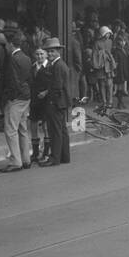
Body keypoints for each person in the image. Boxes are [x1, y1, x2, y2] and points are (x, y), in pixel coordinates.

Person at [0, 36, 34, 172]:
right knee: (22, 128)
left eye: (7, 45)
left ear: (11, 44)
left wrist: (9, 97)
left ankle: (15, 161)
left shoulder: (12, 59)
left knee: (11, 129)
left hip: (16, 97)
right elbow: (29, 78)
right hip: (26, 95)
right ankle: (26, 159)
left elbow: (11, 80)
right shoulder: (27, 58)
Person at [42, 37, 72, 166]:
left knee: (55, 131)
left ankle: (55, 157)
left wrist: (51, 101)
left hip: (56, 102)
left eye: (52, 51)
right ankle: (64, 156)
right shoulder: (59, 64)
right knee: (62, 130)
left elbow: (57, 87)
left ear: (58, 51)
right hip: (61, 101)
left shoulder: (57, 66)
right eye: (48, 51)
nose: (49, 54)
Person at [29, 45, 51, 166]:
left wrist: (46, 92)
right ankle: (35, 153)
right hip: (34, 100)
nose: (39, 56)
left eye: (42, 54)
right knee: (33, 125)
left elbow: (54, 83)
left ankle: (46, 152)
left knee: (45, 126)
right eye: (37, 54)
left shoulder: (50, 67)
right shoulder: (32, 67)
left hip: (45, 100)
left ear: (46, 55)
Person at [90, 25, 116, 107]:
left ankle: (110, 101)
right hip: (100, 65)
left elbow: (112, 51)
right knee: (101, 84)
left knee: (109, 84)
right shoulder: (97, 43)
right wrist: (102, 54)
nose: (108, 35)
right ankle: (104, 101)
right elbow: (94, 54)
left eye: (109, 33)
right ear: (103, 34)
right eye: (107, 33)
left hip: (108, 65)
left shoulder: (110, 41)